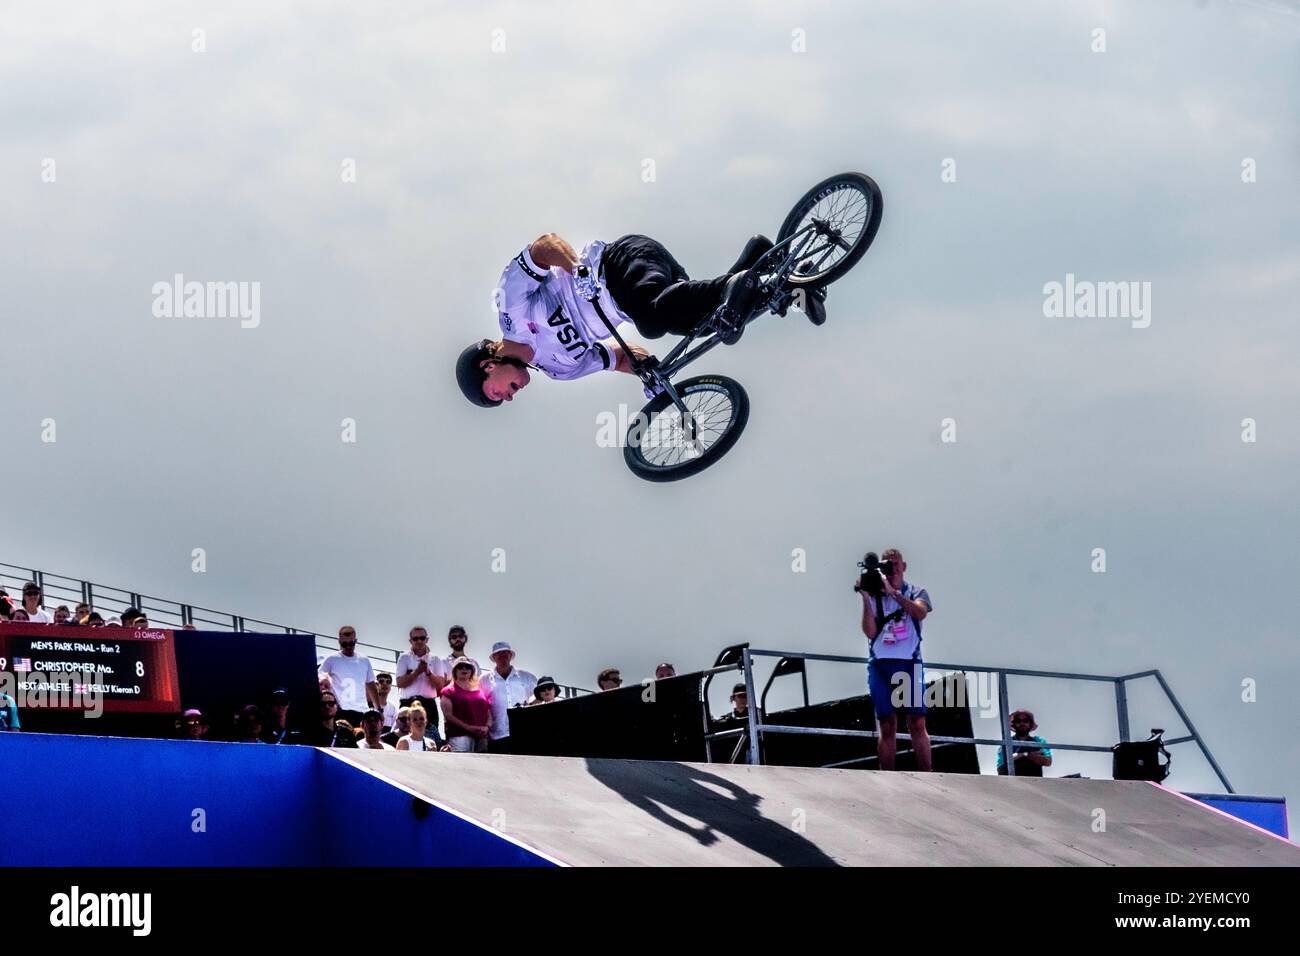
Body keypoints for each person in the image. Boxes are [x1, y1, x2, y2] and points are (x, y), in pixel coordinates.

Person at [454, 231, 828, 408]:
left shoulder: (510, 309)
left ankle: (748, 281)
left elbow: (544, 245)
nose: (508, 398)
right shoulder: (559, 369)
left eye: (496, 394)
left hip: (621, 263)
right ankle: (779, 275)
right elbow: (617, 356)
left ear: (488, 365)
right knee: (711, 325)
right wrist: (649, 371)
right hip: (647, 295)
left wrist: (576, 269)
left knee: (652, 319)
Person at [860, 547, 933, 772]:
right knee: (887, 724)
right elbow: (870, 632)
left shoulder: (916, 591)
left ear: (903, 566)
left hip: (909, 664)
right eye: (886, 565)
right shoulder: (875, 596)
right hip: (881, 665)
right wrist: (865, 597)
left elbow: (920, 613)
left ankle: (927, 772)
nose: (890, 569)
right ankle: (887, 775)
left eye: (894, 564)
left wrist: (894, 593)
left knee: (916, 721)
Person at [479, 641, 537, 753]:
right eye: (499, 654)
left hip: (524, 733)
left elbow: (541, 694)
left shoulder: (526, 677)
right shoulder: (484, 680)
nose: (503, 656)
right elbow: (480, 704)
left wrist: (530, 707)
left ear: (511, 655)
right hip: (497, 735)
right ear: (494, 658)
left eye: (506, 653)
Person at [318, 626, 378, 724]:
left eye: (351, 643)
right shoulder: (331, 659)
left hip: (361, 710)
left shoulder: (364, 660)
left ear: (356, 641)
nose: (348, 647)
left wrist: (379, 708)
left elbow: (371, 684)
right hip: (341, 710)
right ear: (339, 642)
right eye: (344, 644)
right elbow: (320, 679)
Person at [439, 660, 492, 753]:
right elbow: (448, 716)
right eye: (460, 666)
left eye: (468, 667)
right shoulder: (448, 691)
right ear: (455, 670)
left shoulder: (480, 691)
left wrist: (487, 727)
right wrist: (469, 728)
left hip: (481, 736)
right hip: (459, 736)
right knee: (462, 764)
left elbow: (488, 712)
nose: (464, 669)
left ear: (472, 670)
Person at [395, 626, 448, 713]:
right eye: (415, 639)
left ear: (427, 640)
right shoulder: (404, 657)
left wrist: (428, 672)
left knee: (431, 727)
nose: (419, 641)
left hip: (429, 704)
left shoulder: (435, 659)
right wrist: (417, 672)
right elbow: (400, 683)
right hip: (407, 704)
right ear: (410, 641)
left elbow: (440, 685)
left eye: (422, 638)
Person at [997, 709, 1053, 777]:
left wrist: (1018, 756)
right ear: (1014, 724)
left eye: (1025, 720)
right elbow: (1000, 770)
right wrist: (1025, 754)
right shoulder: (1007, 743)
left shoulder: (1039, 741)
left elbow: (1048, 762)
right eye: (1018, 721)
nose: (1022, 723)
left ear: (1030, 724)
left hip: (1036, 784)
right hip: (1013, 784)